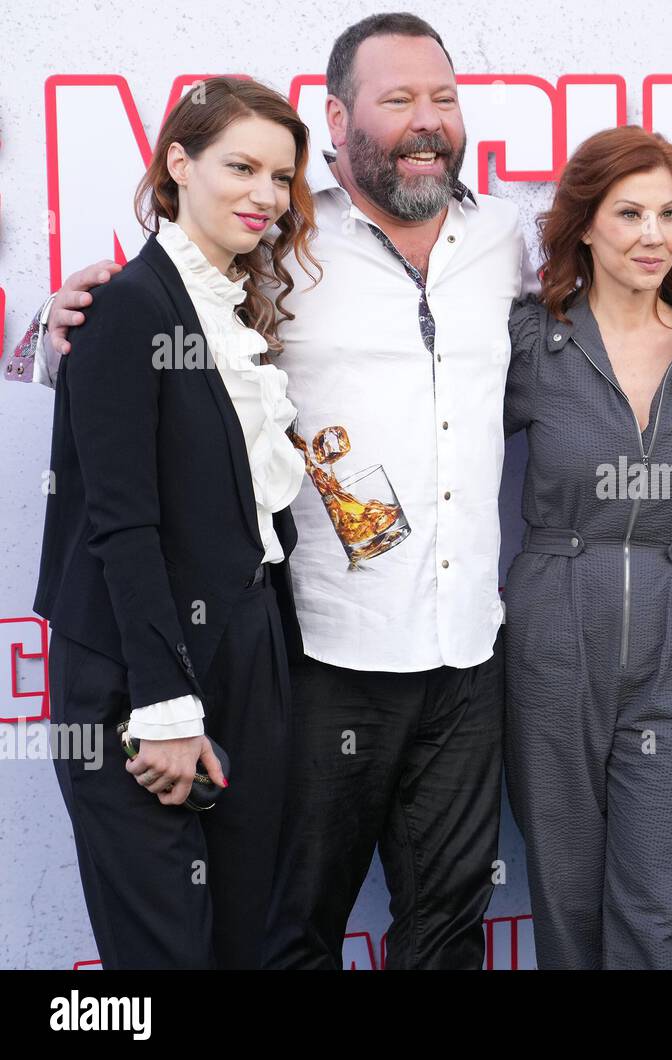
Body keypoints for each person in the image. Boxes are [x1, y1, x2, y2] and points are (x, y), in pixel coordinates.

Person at [9, 14, 535, 970]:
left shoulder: (507, 237)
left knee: (445, 923)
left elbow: (619, 306)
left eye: (444, 98)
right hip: (322, 650)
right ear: (338, 118)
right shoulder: (283, 238)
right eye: (398, 99)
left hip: (463, 649)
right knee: (284, 933)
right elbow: (133, 403)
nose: (428, 121)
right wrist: (50, 323)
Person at [30, 77, 316, 969]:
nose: (263, 195)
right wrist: (164, 705)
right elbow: (122, 525)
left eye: (281, 177)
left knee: (242, 940)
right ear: (177, 163)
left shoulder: (231, 308)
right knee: (163, 954)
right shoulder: (125, 306)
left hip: (247, 648)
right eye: (240, 166)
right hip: (134, 669)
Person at [503, 126, 672, 968]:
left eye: (670, 214)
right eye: (629, 214)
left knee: (657, 893)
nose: (654, 234)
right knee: (568, 892)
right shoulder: (532, 341)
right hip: (554, 620)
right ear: (584, 224)